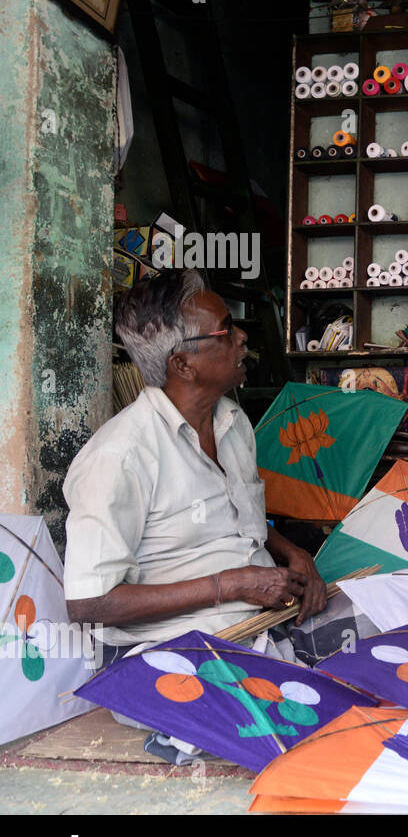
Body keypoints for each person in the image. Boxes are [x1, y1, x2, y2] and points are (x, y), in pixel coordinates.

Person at [63, 270, 328, 666]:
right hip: (180, 650)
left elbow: (237, 519)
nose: (242, 338)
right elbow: (89, 603)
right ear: (183, 364)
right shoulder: (120, 456)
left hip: (267, 623)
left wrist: (295, 552)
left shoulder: (233, 422)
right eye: (226, 330)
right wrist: (229, 585)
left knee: (400, 639)